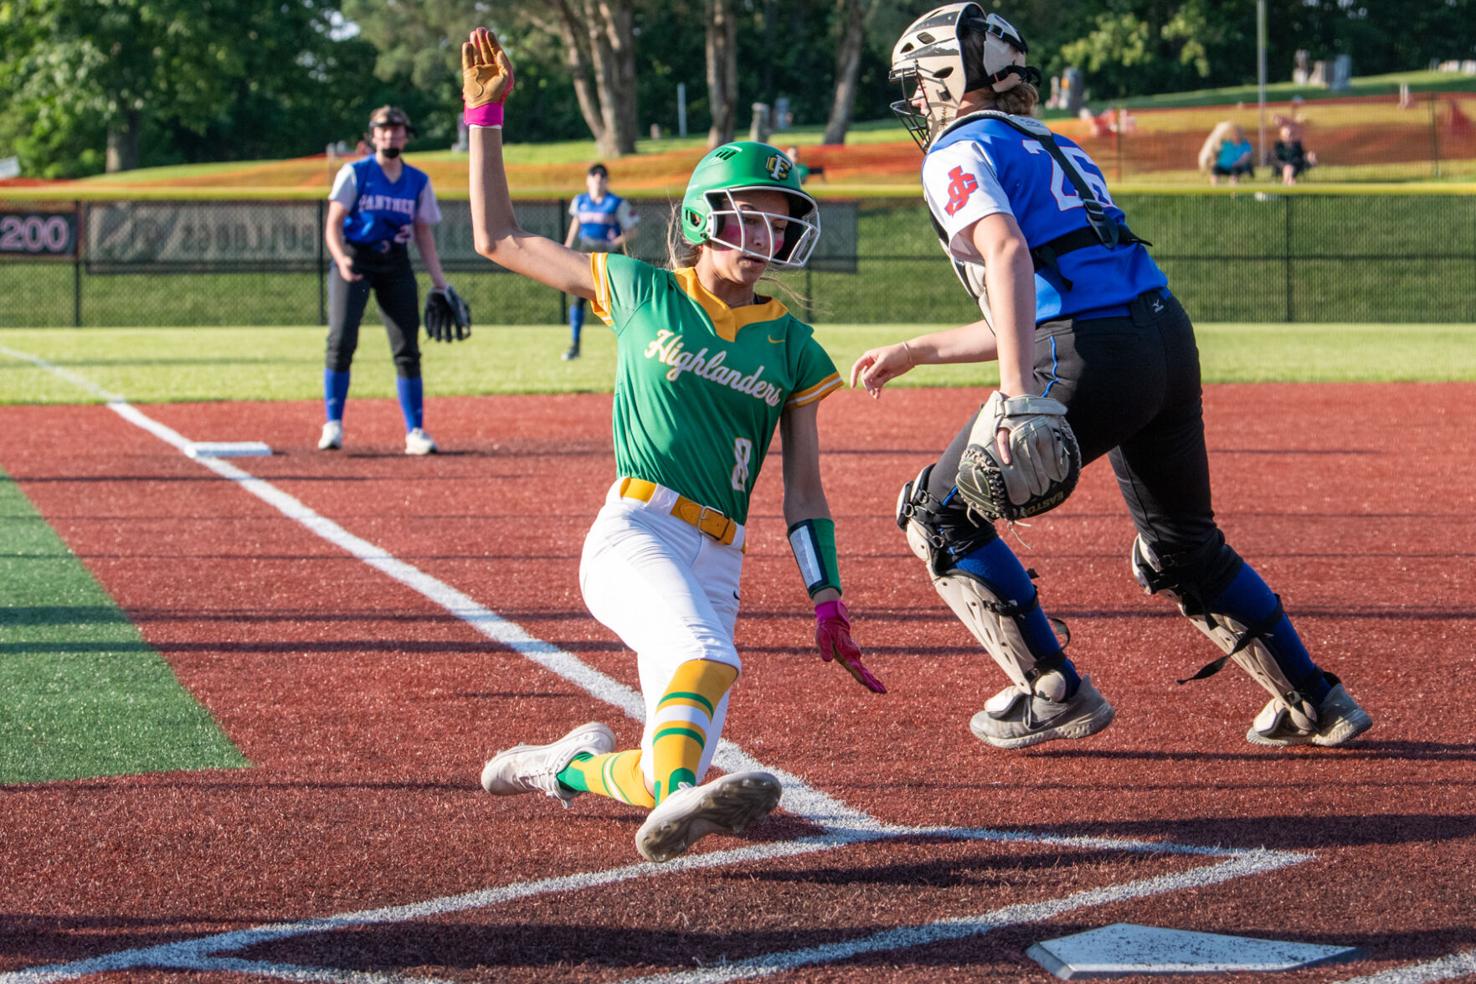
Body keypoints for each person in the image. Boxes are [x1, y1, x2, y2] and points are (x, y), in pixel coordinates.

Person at [851, 3, 1370, 751]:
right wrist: (920, 348)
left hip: (1086, 349)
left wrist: (1018, 395)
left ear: (949, 77)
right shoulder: (1055, 145)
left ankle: (1051, 690)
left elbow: (1010, 262)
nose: (918, 101)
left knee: (937, 514)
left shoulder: (955, 152)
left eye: (921, 84)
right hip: (1162, 336)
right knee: (1183, 544)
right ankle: (1317, 700)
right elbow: (1049, 289)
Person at [459, 27, 884, 863]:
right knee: (705, 657)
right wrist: (485, 116)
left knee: (669, 774)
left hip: (721, 559)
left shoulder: (795, 343)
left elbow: (803, 492)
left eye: (778, 222)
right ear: (701, 218)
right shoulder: (639, 287)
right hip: (637, 531)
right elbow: (498, 239)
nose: (764, 238)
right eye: (748, 217)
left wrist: (826, 596)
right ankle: (643, 782)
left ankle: (565, 765)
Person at [321, 105, 451, 455]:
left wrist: (440, 282)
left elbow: (423, 234)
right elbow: (333, 223)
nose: (391, 134)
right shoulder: (355, 173)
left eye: (397, 129)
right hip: (356, 258)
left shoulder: (418, 181)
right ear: (372, 136)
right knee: (341, 340)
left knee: (407, 347)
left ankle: (416, 431)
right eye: (384, 129)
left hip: (395, 262)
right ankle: (333, 424)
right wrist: (341, 259)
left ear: (406, 136)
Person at [561, 162, 638, 361]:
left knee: (619, 301)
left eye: (602, 179)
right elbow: (576, 223)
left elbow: (632, 230)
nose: (598, 183)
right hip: (586, 252)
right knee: (578, 298)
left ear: (606, 181)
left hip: (609, 255)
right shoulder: (580, 201)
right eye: (594, 179)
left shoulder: (616, 203)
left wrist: (614, 243)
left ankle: (629, 347)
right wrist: (568, 246)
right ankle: (575, 345)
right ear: (588, 181)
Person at [1198, 121, 1254, 186]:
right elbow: (1216, 152)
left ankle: (1233, 192)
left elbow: (1246, 157)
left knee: (1235, 170)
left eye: (1237, 134)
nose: (1235, 136)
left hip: (1235, 167)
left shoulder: (1245, 145)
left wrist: (1238, 163)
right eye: (1234, 134)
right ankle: (1214, 190)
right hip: (1223, 166)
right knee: (1215, 168)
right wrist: (1214, 161)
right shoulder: (1226, 144)